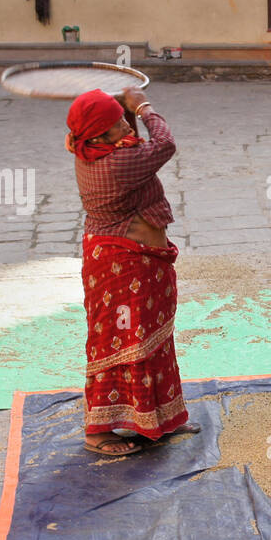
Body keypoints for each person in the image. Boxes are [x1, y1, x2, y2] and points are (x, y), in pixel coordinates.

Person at [66, 87, 199, 457]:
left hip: (134, 259)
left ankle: (157, 420)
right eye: (115, 126)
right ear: (98, 135)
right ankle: (98, 432)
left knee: (150, 341)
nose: (125, 130)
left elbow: (132, 143)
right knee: (123, 345)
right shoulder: (118, 164)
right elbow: (164, 144)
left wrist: (123, 113)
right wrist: (142, 106)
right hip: (121, 264)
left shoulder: (96, 150)